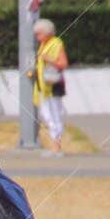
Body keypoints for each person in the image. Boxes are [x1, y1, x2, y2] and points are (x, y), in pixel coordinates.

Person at [31, 17, 69, 153]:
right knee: (47, 116)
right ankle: (54, 146)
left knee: (55, 116)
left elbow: (63, 64)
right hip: (43, 87)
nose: (37, 37)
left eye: (39, 34)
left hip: (53, 87)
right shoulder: (43, 45)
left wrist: (49, 60)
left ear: (47, 32)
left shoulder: (56, 44)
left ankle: (57, 147)